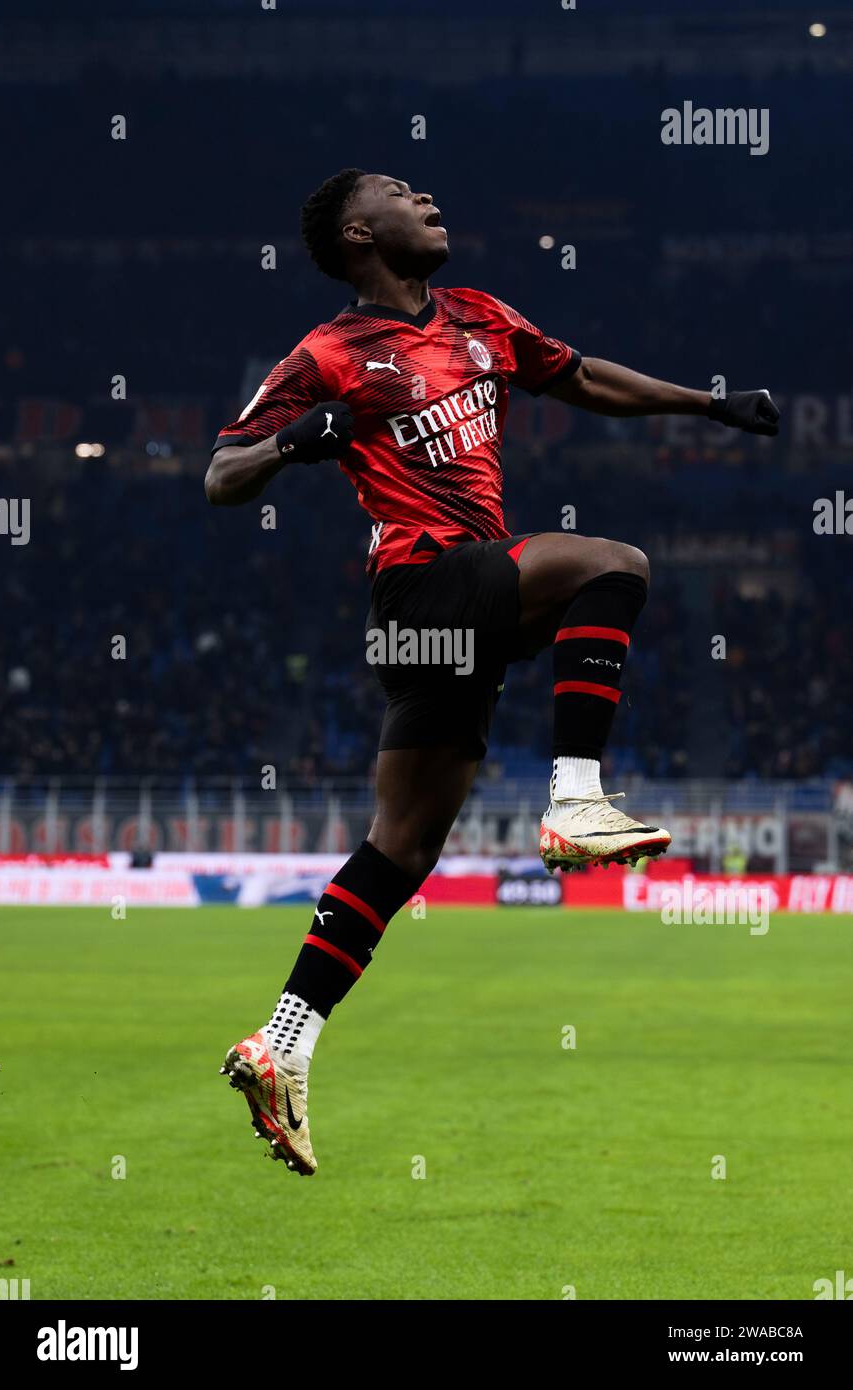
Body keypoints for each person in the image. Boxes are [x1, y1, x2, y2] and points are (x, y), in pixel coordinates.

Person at [206, 168, 779, 1175]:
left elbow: (585, 377)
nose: (427, 199)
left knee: (402, 847)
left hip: (443, 619)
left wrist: (707, 403)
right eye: (401, 193)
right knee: (614, 566)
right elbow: (221, 474)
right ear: (357, 232)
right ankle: (574, 798)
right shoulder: (327, 353)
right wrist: (298, 441)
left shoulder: (477, 318)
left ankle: (282, 1042)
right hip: (423, 586)